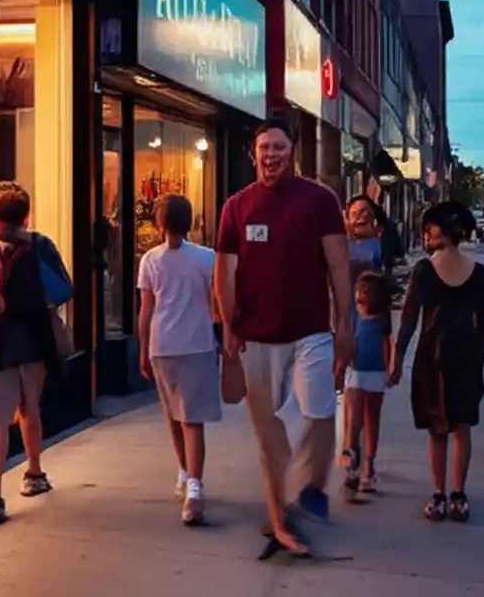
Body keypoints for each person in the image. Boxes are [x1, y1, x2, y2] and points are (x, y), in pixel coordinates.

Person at [215, 119, 354, 555]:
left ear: (292, 151)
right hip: (255, 337)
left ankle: (305, 487)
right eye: (264, 148)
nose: (271, 155)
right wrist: (228, 326)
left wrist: (345, 324)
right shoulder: (237, 206)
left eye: (279, 147)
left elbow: (339, 266)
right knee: (268, 435)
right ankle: (279, 519)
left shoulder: (320, 201)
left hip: (310, 332)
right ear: (253, 154)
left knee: (318, 411)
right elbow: (224, 272)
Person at [0, 181, 71, 523]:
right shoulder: (41, 245)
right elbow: (62, 290)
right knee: (30, 408)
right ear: (26, 216)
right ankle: (34, 473)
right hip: (36, 341)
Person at [395, 201, 484, 523]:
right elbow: (483, 327)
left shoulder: (423, 271)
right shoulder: (481, 274)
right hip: (465, 358)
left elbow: (409, 320)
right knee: (462, 427)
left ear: (448, 231)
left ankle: (438, 494)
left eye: (430, 228)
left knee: (437, 429)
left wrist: (396, 359)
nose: (426, 234)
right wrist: (481, 362)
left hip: (431, 357)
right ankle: (458, 494)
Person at [137, 194, 222, 526]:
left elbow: (146, 311)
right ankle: (194, 487)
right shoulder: (207, 258)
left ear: (160, 223)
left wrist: (142, 348)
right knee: (192, 419)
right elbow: (216, 302)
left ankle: (185, 473)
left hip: (163, 344)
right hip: (198, 344)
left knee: (173, 414)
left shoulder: (150, 260)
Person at [339, 271, 401, 501]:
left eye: (365, 290)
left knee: (370, 417)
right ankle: (352, 455)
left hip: (373, 373)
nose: (360, 294)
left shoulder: (380, 319)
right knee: (353, 416)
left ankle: (367, 465)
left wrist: (389, 368)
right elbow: (347, 342)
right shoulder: (355, 315)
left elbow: (387, 344)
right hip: (356, 372)